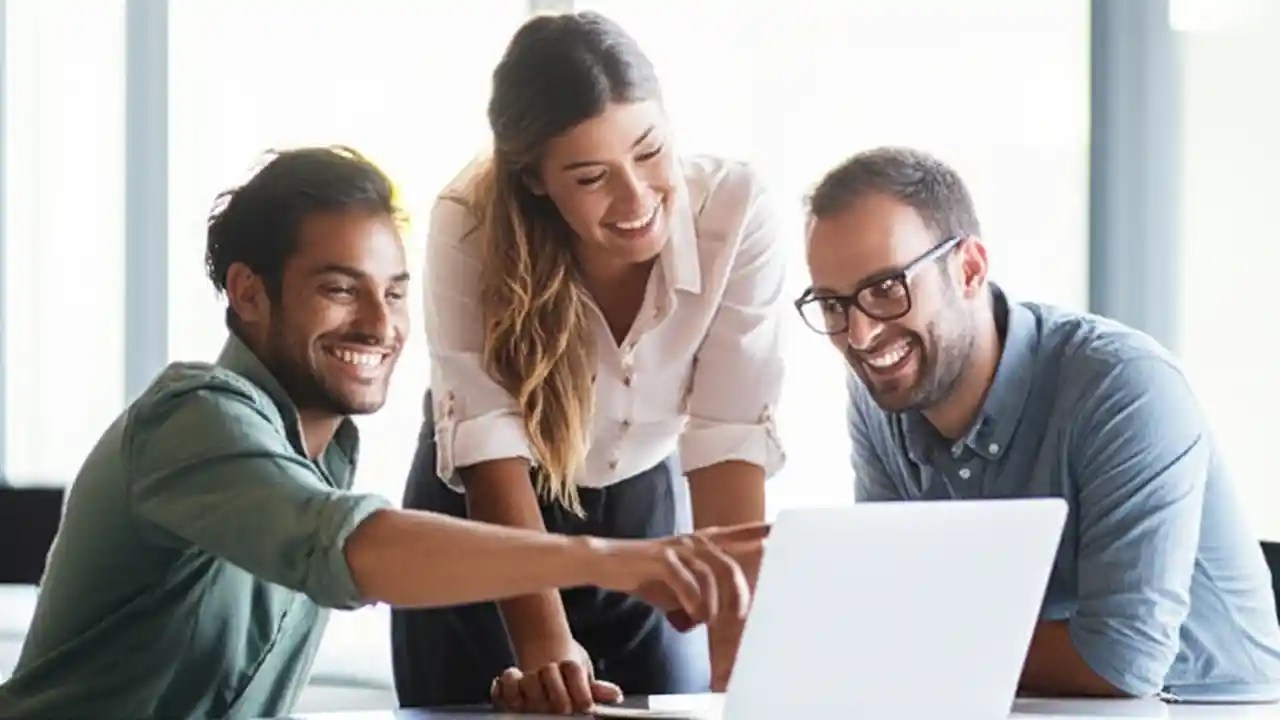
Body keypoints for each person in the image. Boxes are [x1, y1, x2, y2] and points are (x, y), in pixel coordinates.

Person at [0, 146, 768, 720]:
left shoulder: (325, 455)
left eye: (394, 294)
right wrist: (614, 562)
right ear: (248, 292)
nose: (379, 325)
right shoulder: (194, 415)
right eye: (339, 289)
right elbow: (351, 547)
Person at [392, 10, 787, 714]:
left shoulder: (736, 209)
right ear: (537, 180)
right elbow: (489, 444)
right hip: (486, 518)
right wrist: (544, 636)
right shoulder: (469, 219)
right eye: (591, 176)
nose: (636, 198)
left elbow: (728, 441)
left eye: (649, 150)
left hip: (640, 505)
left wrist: (744, 664)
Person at [799, 145, 1280, 701]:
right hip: (1029, 702)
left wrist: (915, 638)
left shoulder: (1123, 385)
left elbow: (1122, 660)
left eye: (887, 289)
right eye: (833, 304)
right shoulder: (879, 397)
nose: (860, 336)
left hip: (1207, 704)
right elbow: (897, 602)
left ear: (970, 269)